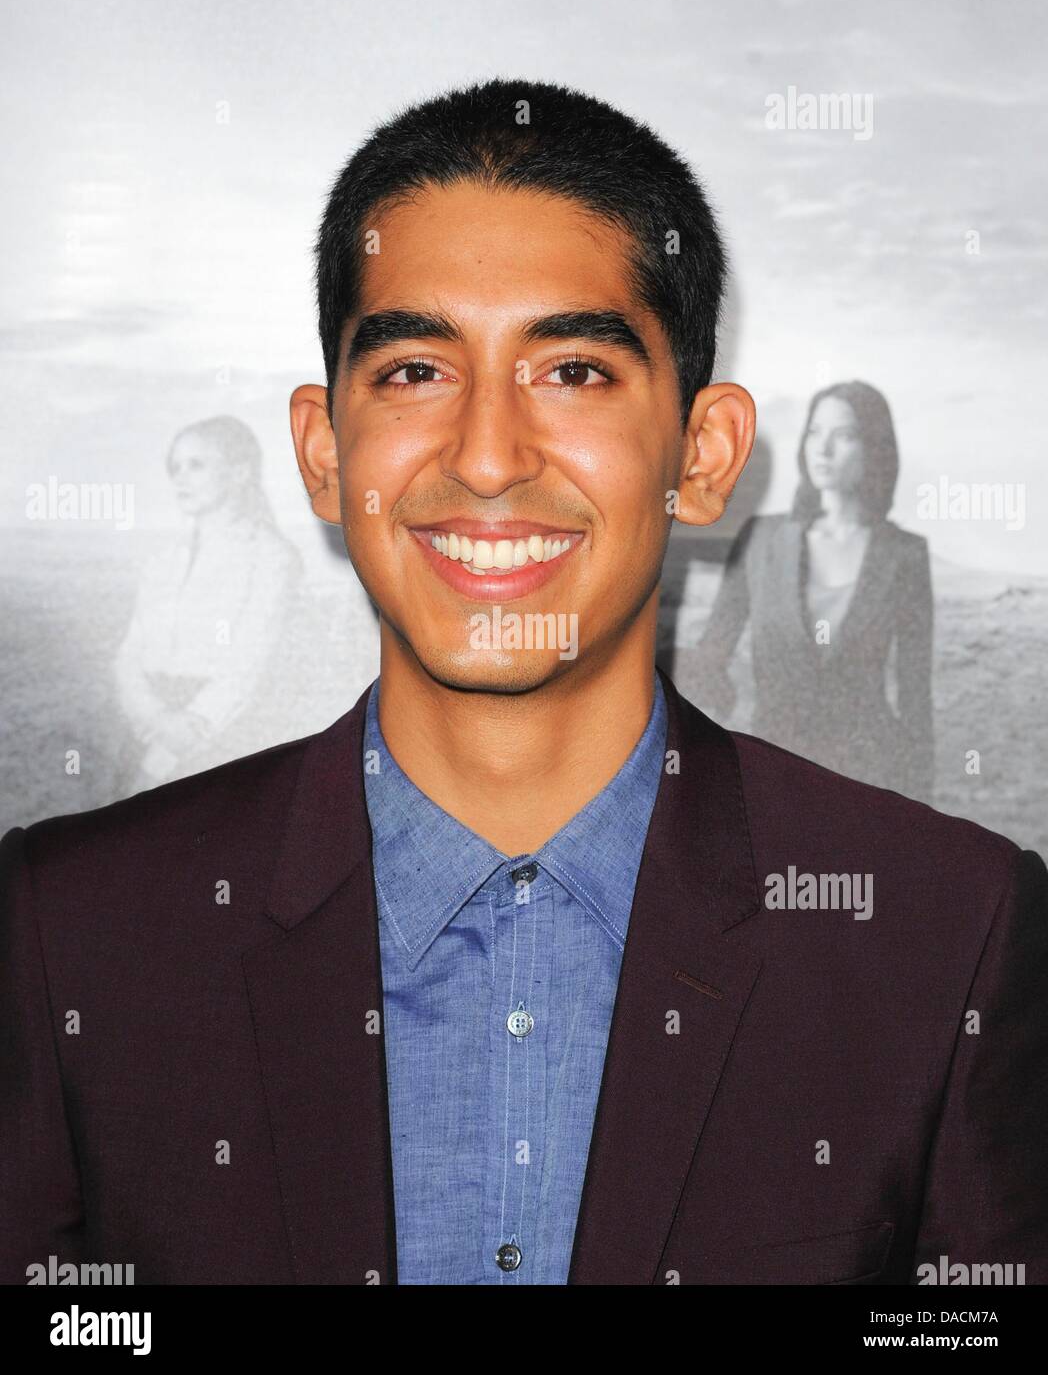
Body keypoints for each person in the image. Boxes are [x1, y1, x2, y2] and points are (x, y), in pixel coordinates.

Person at [2, 78, 1046, 1287]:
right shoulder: (69, 935)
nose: (488, 457)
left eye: (575, 373)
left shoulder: (947, 936)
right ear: (324, 453)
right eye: (413, 372)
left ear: (701, 459)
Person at [693, 382, 935, 803]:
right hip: (769, 779)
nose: (823, 449)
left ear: (874, 448)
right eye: (814, 432)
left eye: (844, 435)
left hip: (872, 778)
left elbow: (916, 691)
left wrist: (920, 797)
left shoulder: (905, 554)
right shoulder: (760, 540)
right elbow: (711, 654)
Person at [112, 416, 304, 792]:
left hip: (215, 738)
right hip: (144, 729)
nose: (180, 477)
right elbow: (128, 655)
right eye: (175, 467)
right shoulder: (163, 559)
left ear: (239, 472)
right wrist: (151, 717)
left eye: (196, 465)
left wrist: (165, 755)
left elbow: (247, 668)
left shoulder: (272, 558)